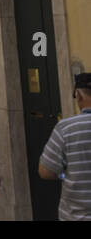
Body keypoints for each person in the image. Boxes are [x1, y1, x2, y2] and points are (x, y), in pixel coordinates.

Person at [39, 71, 91, 221]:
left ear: (78, 95)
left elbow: (46, 172)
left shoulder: (65, 128)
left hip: (76, 216)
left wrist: (65, 174)